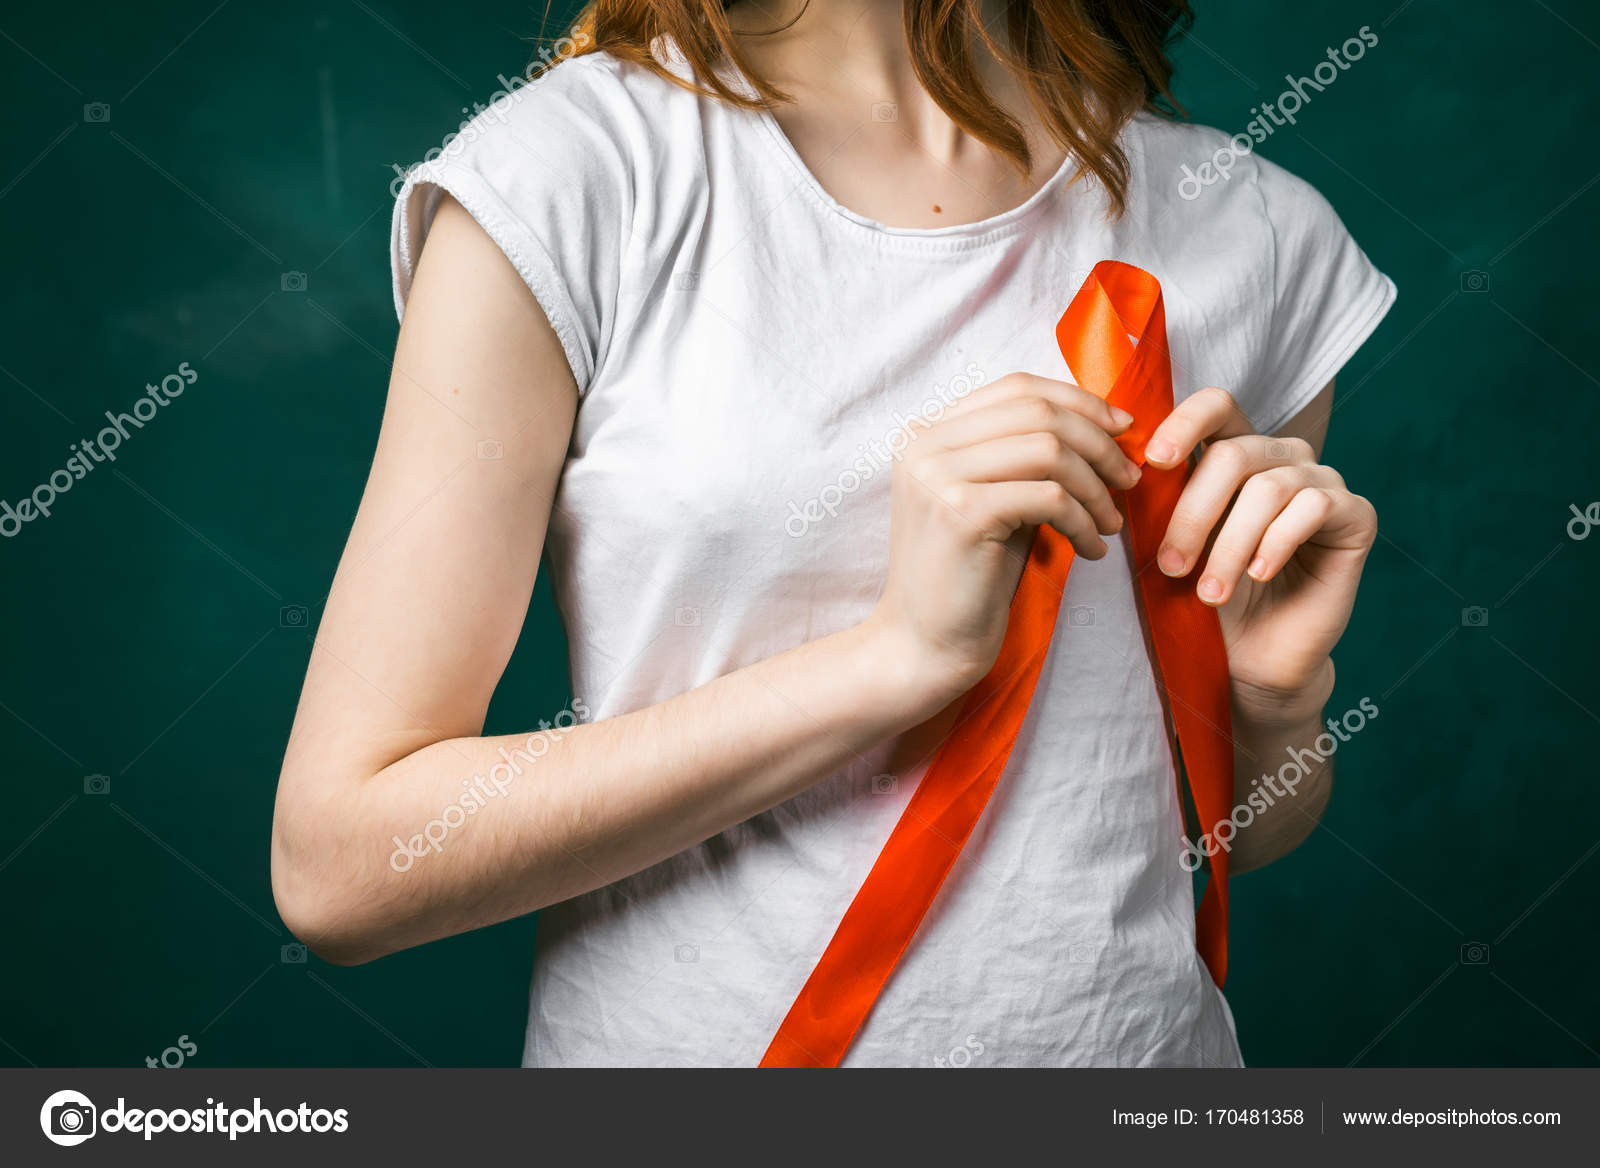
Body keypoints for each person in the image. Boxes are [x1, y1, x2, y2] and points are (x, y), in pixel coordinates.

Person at [271, 0, 1396, 1066]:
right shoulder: (573, 178)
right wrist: (894, 659)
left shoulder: (1256, 231)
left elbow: (1235, 834)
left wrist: (1267, 705)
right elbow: (344, 867)